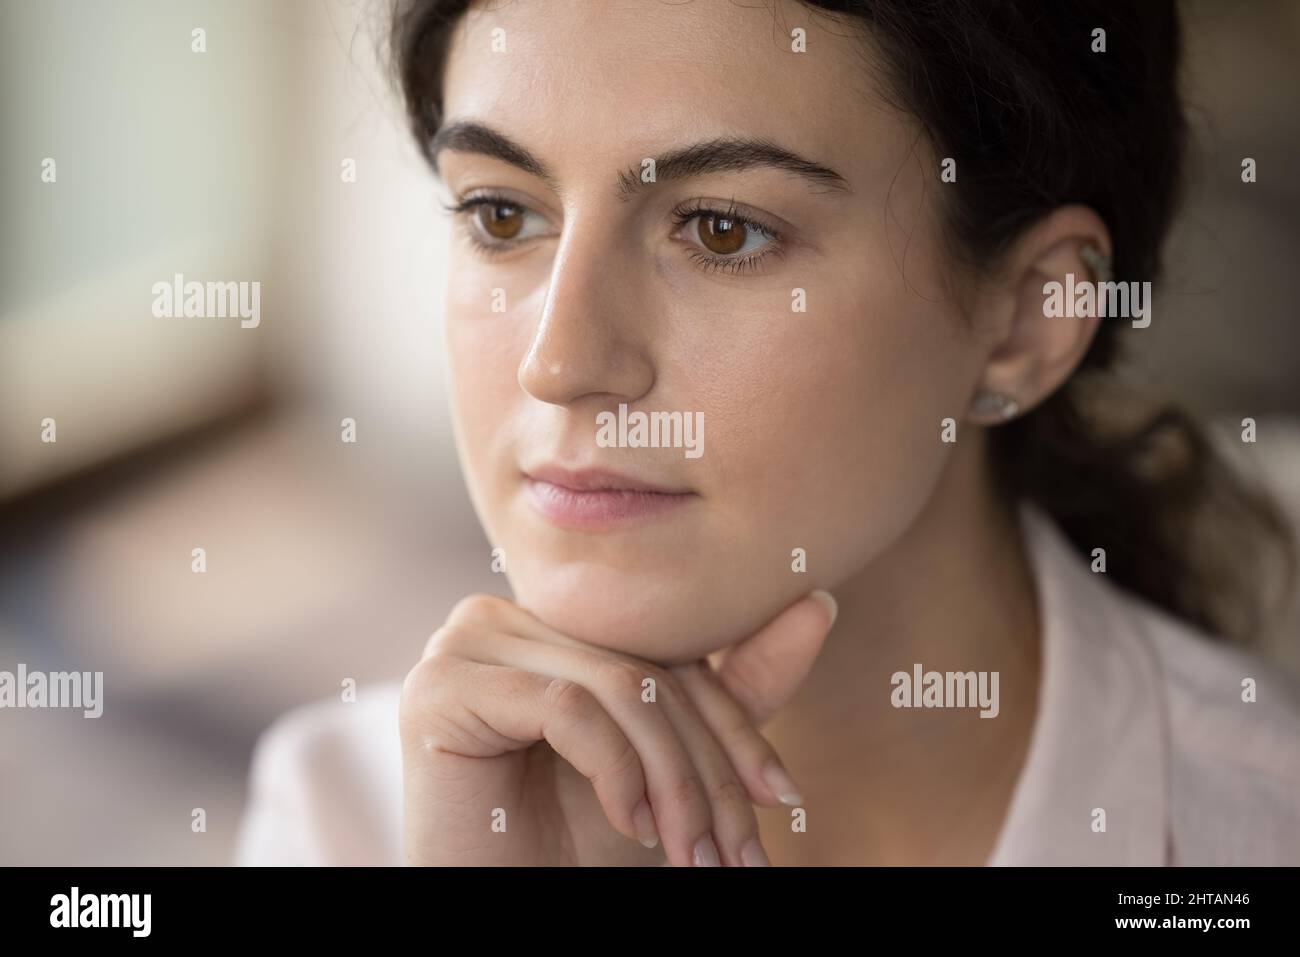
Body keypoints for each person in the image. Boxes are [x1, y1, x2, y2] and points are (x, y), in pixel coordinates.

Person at [234, 0, 1300, 866]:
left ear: (1025, 321)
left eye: (721, 230)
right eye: (501, 215)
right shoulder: (346, 814)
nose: (556, 364)